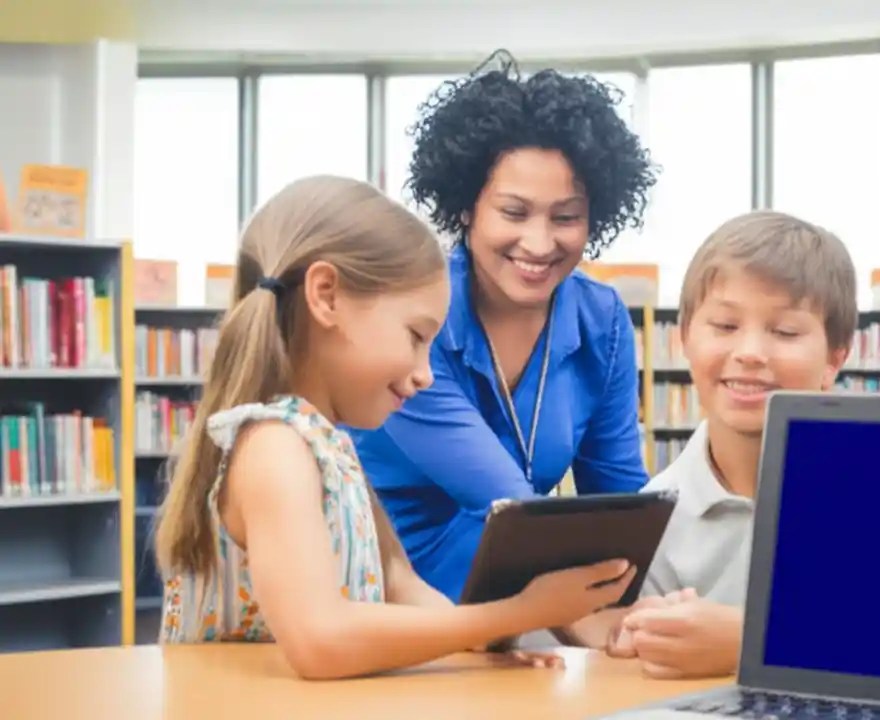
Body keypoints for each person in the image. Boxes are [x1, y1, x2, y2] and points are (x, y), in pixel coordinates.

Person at [151, 175, 636, 680]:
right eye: (416, 336)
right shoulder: (274, 448)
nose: (426, 373)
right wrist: (524, 613)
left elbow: (403, 586)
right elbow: (320, 640)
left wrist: (485, 651)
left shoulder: (330, 448)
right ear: (326, 296)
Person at [349, 50, 660, 602]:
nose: (540, 244)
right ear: (466, 207)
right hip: (387, 609)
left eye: (566, 217)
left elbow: (621, 501)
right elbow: (505, 504)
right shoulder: (416, 314)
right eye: (514, 213)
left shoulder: (602, 320)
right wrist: (578, 615)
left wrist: (640, 605)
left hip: (515, 611)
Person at [605, 210, 858, 679]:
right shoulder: (654, 519)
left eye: (784, 332)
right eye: (724, 326)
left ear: (835, 358)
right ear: (684, 339)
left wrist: (751, 643)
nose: (750, 352)